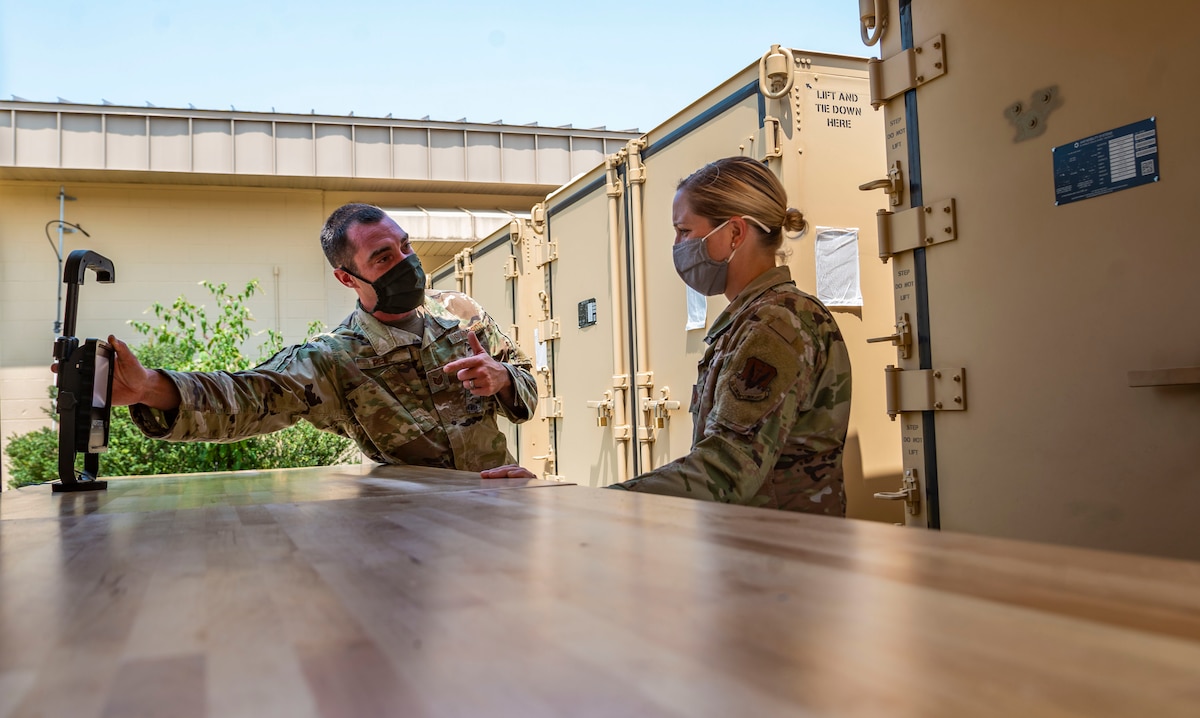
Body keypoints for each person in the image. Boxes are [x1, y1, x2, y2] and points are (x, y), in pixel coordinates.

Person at [104, 202, 538, 473]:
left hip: (502, 497)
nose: (407, 262)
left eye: (405, 246)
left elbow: (527, 386)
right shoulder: (334, 359)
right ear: (347, 278)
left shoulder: (461, 314)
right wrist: (149, 388)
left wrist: (503, 379)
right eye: (384, 258)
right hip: (417, 527)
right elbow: (251, 396)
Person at [609, 156, 852, 514]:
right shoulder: (754, 318)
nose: (677, 244)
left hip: (778, 545)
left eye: (684, 231)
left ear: (735, 233)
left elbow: (725, 473)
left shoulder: (774, 326)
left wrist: (602, 501)